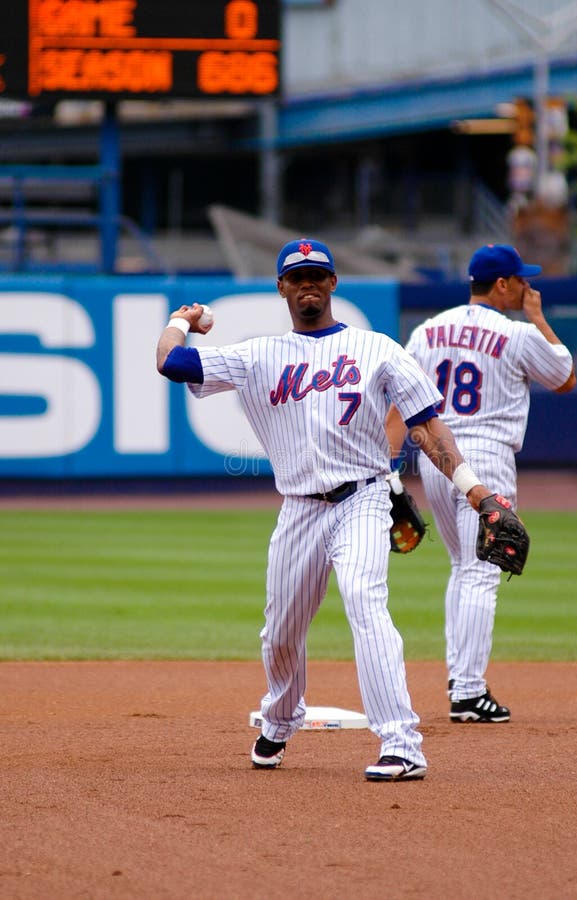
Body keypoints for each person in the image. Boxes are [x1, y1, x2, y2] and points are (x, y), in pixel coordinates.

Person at [155, 237, 496, 781]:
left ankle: (402, 743)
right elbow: (171, 363)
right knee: (281, 633)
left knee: (365, 601)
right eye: (297, 277)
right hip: (298, 510)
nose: (308, 284)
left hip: (364, 497)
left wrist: (479, 494)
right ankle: (280, 718)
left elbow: (429, 430)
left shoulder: (378, 348)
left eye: (317, 274)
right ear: (282, 288)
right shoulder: (257, 355)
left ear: (333, 282)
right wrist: (181, 319)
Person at [386, 244, 576, 723]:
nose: (527, 287)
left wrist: (390, 470)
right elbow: (566, 378)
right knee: (482, 571)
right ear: (502, 285)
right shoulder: (517, 332)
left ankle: (462, 680)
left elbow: (398, 400)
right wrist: (538, 318)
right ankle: (468, 692)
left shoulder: (428, 330)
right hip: (486, 459)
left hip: (436, 455)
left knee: (463, 567)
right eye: (521, 280)